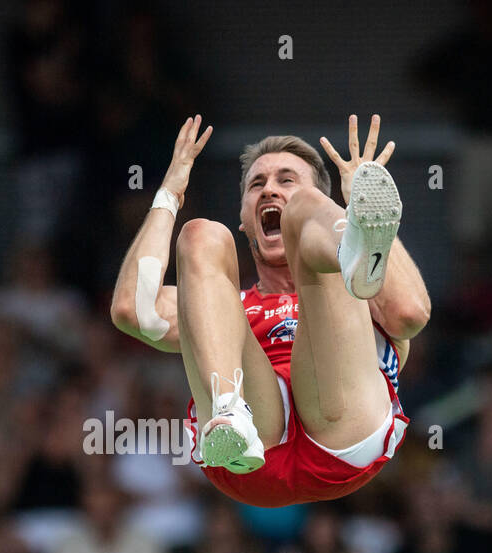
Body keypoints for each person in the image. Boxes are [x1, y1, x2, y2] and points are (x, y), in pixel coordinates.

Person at [110, 114, 430, 508]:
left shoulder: (364, 290)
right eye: (256, 184)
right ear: (245, 222)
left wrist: (355, 209)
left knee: (308, 217)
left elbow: (410, 314)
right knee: (200, 234)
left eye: (286, 180)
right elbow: (132, 310)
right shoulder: (222, 305)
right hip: (247, 448)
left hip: (343, 426)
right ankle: (229, 412)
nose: (269, 191)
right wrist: (168, 196)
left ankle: (353, 243)